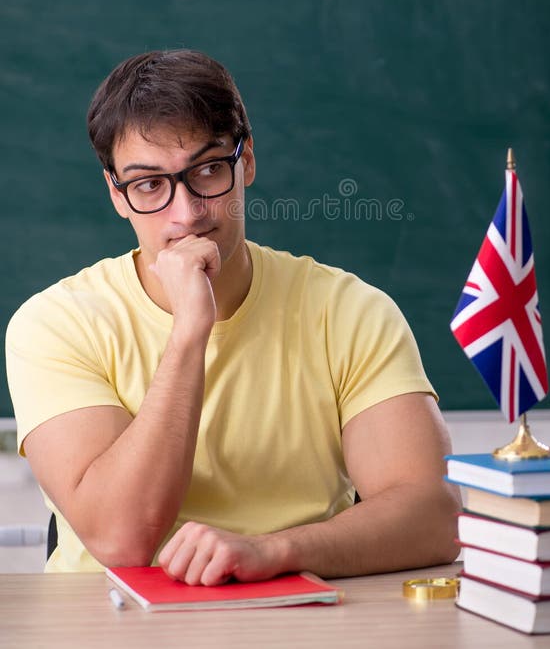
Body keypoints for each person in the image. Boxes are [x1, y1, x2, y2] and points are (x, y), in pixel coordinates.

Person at [6, 50, 461, 583]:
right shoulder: (54, 323)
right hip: (112, 626)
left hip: (305, 617)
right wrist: (188, 334)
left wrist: (273, 552)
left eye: (207, 169)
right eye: (149, 184)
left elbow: (434, 518)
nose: (188, 212)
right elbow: (121, 540)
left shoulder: (351, 311)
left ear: (245, 161)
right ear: (116, 193)